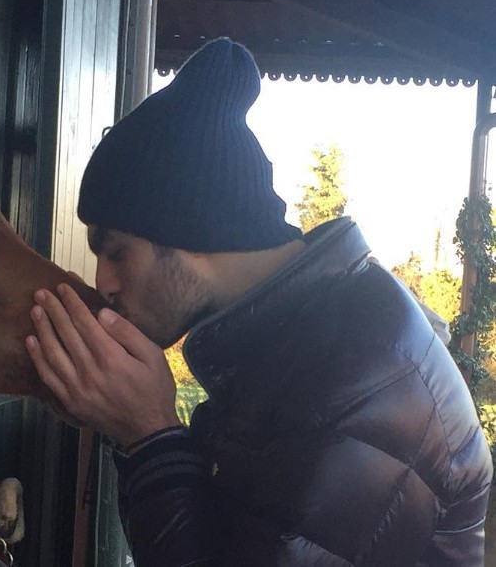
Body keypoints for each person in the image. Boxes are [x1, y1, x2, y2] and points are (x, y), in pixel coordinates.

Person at [24, 38, 493, 566]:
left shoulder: (359, 381)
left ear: (189, 232)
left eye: (116, 253)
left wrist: (148, 435)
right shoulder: (301, 342)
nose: (104, 283)